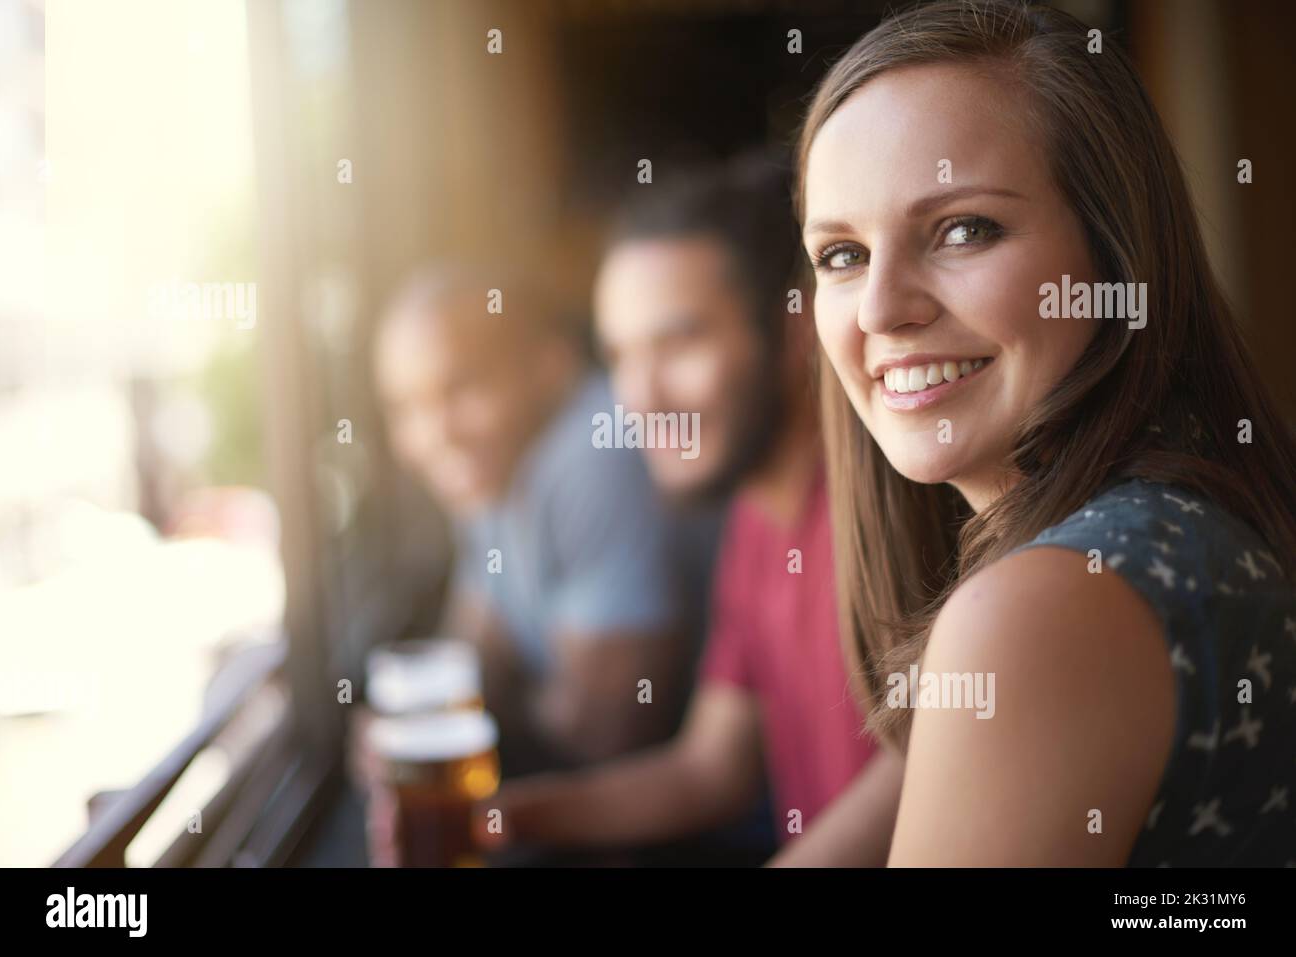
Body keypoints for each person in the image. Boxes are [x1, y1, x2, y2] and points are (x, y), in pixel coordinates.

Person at [799, 0, 1296, 866]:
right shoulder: (1181, 523)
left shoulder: (1046, 608)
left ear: (1115, 254)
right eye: (843, 254)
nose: (881, 308)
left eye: (964, 229)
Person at [487, 157, 905, 867]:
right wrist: (498, 820)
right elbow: (710, 768)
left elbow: (912, 782)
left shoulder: (888, 508)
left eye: (679, 341)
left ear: (797, 329)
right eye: (620, 353)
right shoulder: (755, 512)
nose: (639, 397)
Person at [371, 265, 695, 774]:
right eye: (407, 407)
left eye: (462, 388)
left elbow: (605, 728)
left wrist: (451, 723)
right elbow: (478, 647)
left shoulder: (591, 453)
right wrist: (413, 721)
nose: (435, 433)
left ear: (550, 365)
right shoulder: (490, 470)